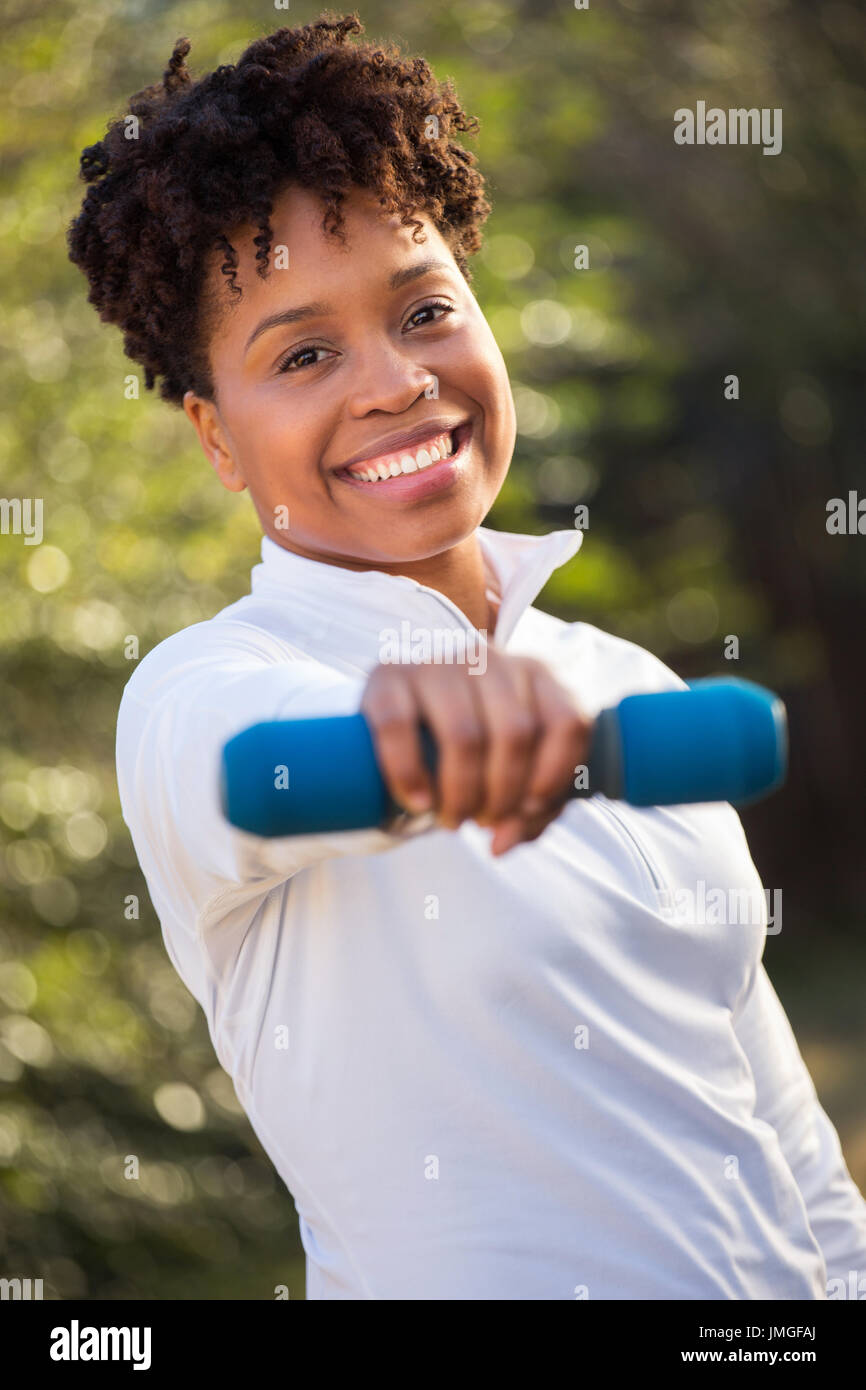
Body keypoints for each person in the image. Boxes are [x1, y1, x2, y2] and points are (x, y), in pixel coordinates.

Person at [69, 15, 866, 1300]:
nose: (393, 381)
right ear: (217, 441)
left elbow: (773, 1134)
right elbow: (249, 770)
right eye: (306, 353)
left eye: (424, 309)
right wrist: (417, 733)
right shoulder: (196, 692)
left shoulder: (623, 682)